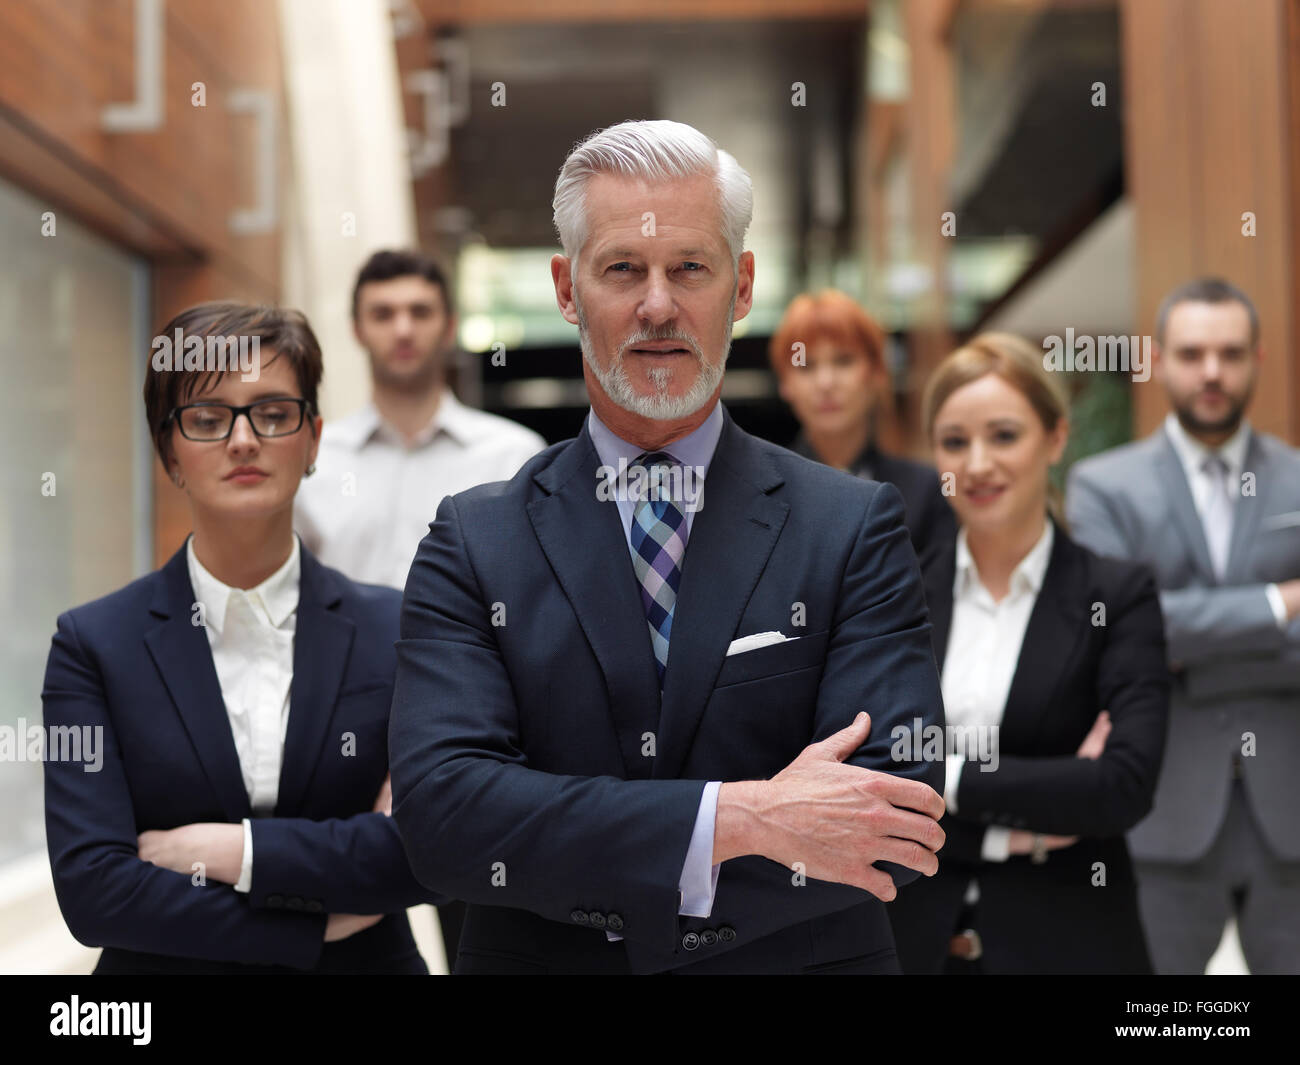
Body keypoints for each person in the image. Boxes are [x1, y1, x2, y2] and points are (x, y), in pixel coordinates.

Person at [389, 119, 947, 975]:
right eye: (622, 269)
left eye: (690, 267)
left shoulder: (852, 526)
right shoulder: (473, 541)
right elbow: (444, 820)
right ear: (567, 289)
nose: (658, 304)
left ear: (742, 283)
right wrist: (739, 818)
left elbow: (894, 817)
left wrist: (589, 845)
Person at [42, 302, 443, 974]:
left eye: (274, 413)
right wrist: (313, 927)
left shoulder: (399, 628)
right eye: (207, 418)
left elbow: (428, 852)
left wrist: (233, 851)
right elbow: (95, 891)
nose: (243, 440)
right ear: (169, 450)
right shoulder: (92, 644)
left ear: (313, 439)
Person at [887, 332, 1169, 974]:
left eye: (1005, 435)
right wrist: (1025, 825)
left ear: (1056, 438)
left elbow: (1121, 786)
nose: (978, 463)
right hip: (912, 942)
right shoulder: (895, 595)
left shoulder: (1117, 595)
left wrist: (945, 777)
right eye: (955, 441)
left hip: (1070, 944)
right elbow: (870, 781)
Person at [294, 249, 544, 963]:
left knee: (487, 937)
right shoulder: (314, 460)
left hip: (482, 729)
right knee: (347, 937)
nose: (402, 327)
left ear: (448, 325)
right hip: (343, 730)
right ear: (357, 328)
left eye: (419, 311)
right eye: (383, 312)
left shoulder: (515, 456)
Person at [1067, 278, 1300, 974]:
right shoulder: (1103, 486)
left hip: (1289, 811)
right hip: (1160, 810)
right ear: (1159, 359)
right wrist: (1280, 606)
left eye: (1229, 353)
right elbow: (1115, 634)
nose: (1211, 372)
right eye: (1192, 352)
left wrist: (1178, 645)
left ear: (1257, 358)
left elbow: (1158, 635)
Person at [770, 289, 954, 557]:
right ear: (785, 384)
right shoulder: (760, 492)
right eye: (806, 366)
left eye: (843, 361)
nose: (826, 383)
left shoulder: (925, 492)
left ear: (876, 372)